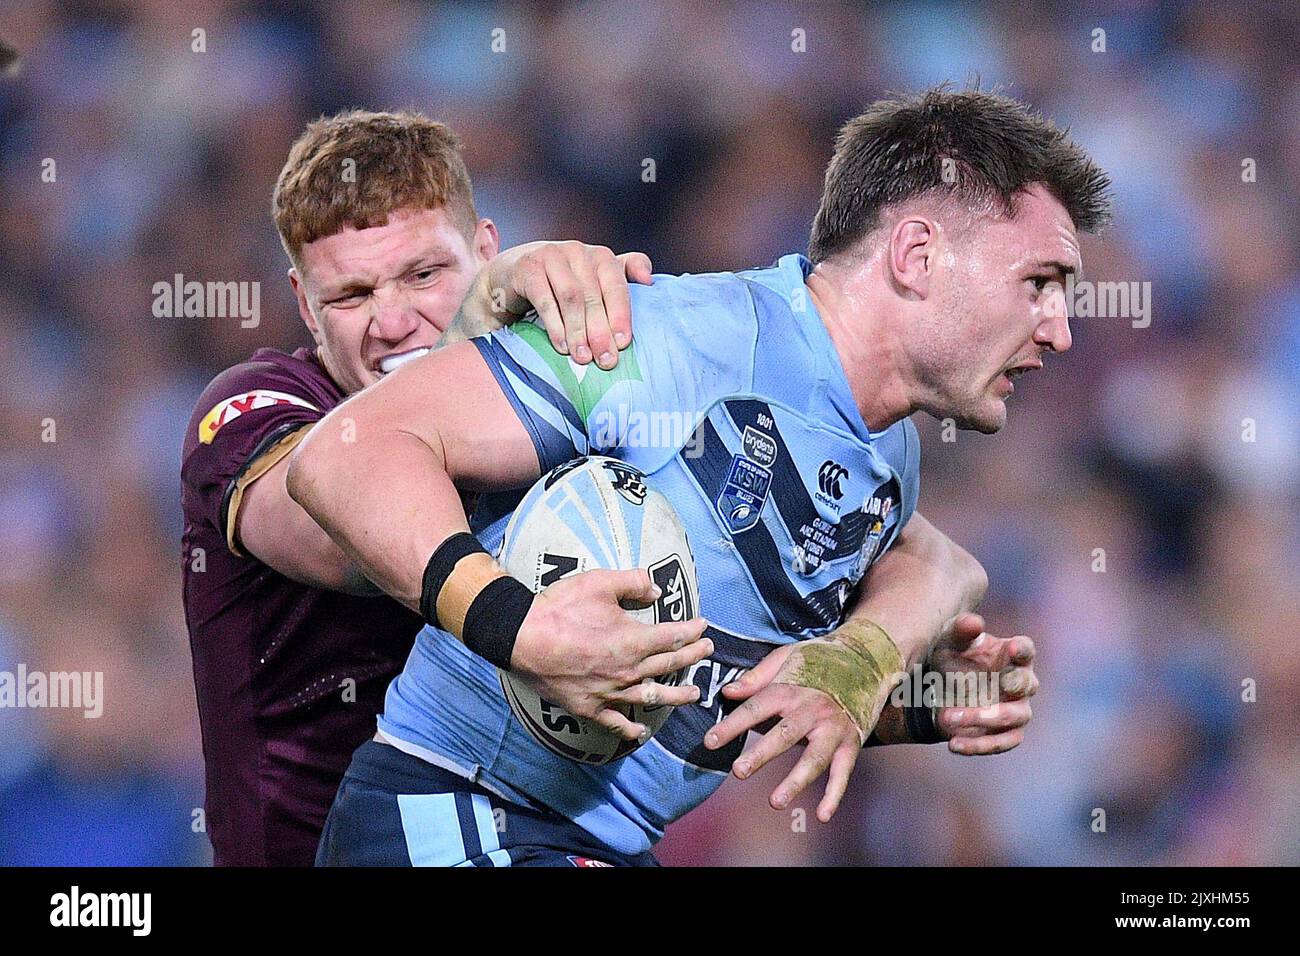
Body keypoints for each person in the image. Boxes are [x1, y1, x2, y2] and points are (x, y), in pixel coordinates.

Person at [288, 86, 1101, 866]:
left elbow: (732, 677)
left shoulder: (890, 457)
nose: (1060, 330)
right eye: (1038, 284)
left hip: (594, 845)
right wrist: (523, 630)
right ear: (917, 253)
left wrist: (904, 698)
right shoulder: (676, 340)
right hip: (452, 812)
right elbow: (348, 453)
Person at [180, 109, 678, 866]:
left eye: (424, 275)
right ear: (305, 305)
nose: (392, 321)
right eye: (349, 296)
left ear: (487, 251)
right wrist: (466, 331)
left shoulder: (565, 385)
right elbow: (337, 515)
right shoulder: (252, 412)